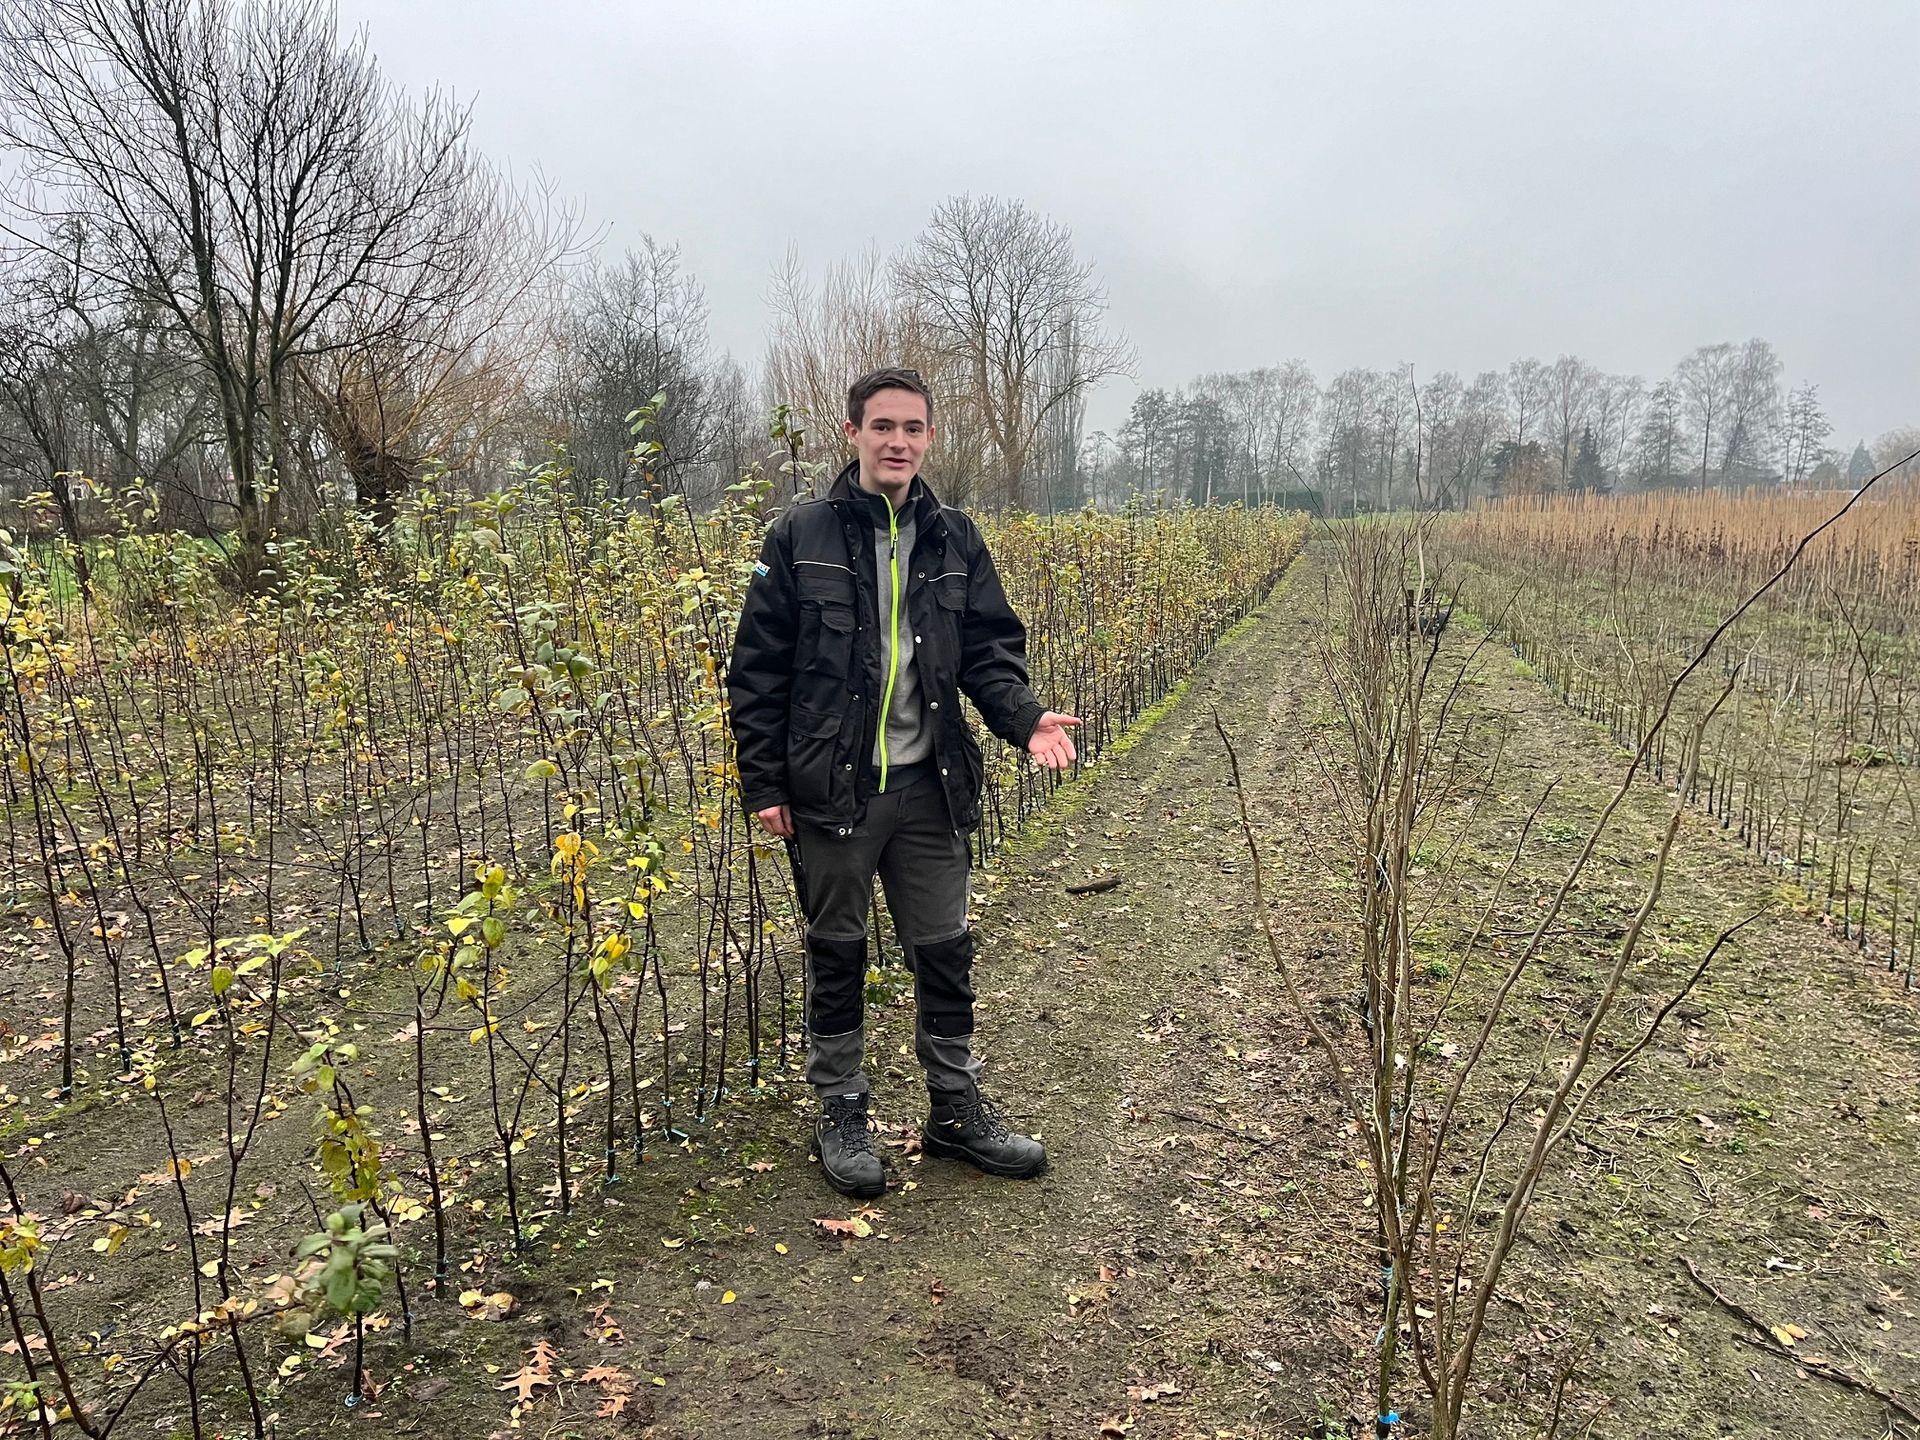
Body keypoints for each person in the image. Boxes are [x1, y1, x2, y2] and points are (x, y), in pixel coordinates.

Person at [726, 367, 1081, 1199]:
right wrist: (765, 781)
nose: (898, 442)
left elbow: (991, 651)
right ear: (851, 433)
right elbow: (757, 671)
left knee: (945, 950)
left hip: (930, 787)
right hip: (833, 792)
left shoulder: (955, 537)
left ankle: (954, 1108)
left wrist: (1024, 718)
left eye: (913, 428)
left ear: (929, 438)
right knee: (839, 951)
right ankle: (841, 1106)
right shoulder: (799, 535)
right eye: (882, 425)